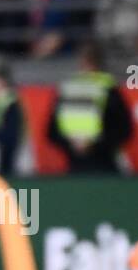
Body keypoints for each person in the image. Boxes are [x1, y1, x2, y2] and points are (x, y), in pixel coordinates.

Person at [46, 42, 130, 174]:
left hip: (77, 167)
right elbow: (124, 130)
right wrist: (94, 144)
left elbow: (51, 132)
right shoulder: (110, 90)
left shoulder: (67, 89)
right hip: (104, 166)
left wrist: (72, 145)